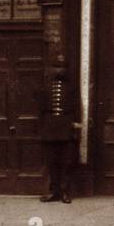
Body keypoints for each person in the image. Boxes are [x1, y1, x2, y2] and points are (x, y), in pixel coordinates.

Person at [40, 57, 78, 203]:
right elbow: (41, 110)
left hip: (66, 127)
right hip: (49, 128)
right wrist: (41, 129)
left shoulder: (71, 88)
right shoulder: (45, 87)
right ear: (51, 69)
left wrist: (75, 125)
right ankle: (53, 192)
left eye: (62, 67)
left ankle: (65, 192)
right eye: (56, 67)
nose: (59, 70)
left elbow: (76, 107)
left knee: (66, 162)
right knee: (51, 162)